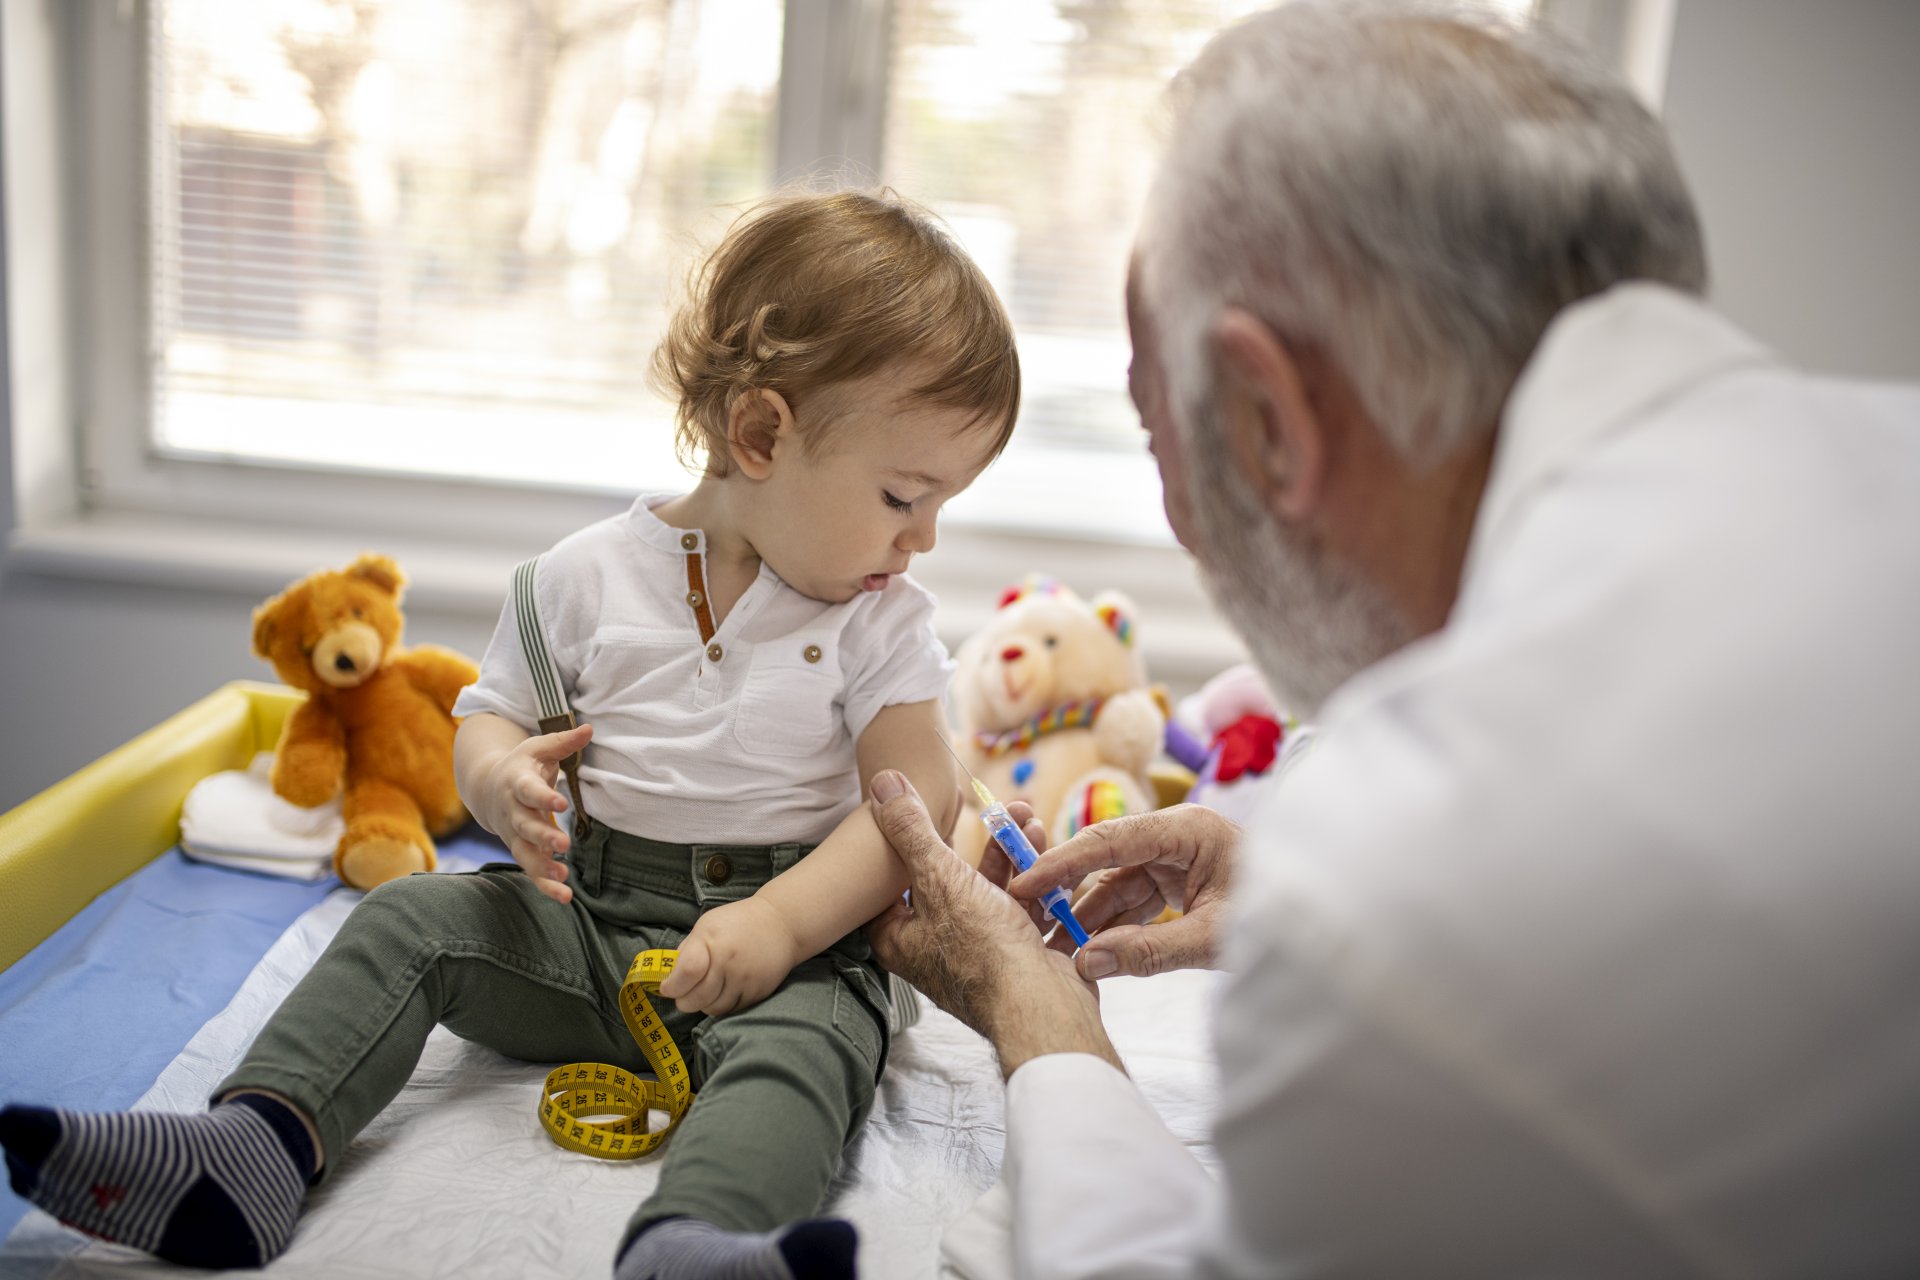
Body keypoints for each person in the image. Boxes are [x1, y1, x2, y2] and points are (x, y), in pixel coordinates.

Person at [865, 5, 1920, 1278]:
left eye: (1161, 438)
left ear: (1268, 420)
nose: (1175, 513)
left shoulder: (1410, 874)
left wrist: (1039, 1020)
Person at [0, 188, 1020, 1279]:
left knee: (810, 1051)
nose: (923, 538)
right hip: (588, 922)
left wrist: (777, 923)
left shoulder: (880, 619)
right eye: (905, 494)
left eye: (941, 504)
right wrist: (495, 785)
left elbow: (918, 801)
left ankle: (697, 1241)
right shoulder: (581, 578)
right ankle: (255, 1144)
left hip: (796, 948)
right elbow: (489, 718)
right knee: (408, 920)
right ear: (761, 432)